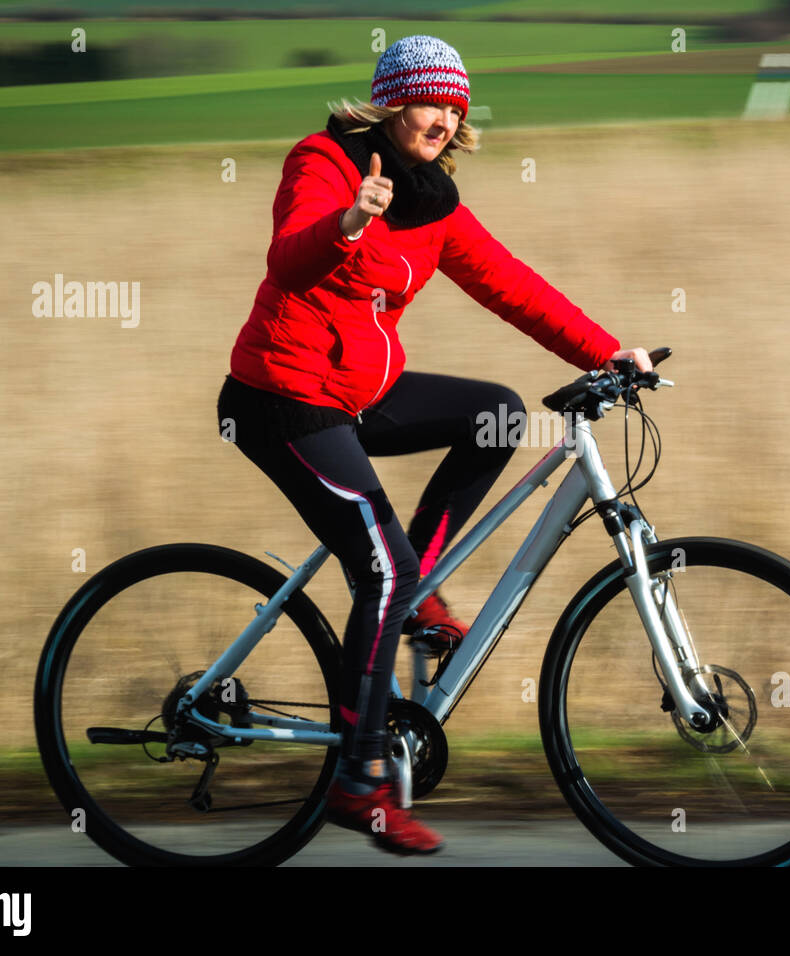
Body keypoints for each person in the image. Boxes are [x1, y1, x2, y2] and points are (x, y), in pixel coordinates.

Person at [217, 34, 651, 855]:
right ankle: (359, 777)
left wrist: (606, 352)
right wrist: (348, 224)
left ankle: (417, 600)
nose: (444, 118)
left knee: (497, 413)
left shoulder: (432, 198)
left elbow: (509, 283)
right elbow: (290, 255)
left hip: (359, 391)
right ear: (391, 102)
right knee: (380, 572)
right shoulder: (326, 164)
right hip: (286, 399)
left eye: (456, 106)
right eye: (430, 101)